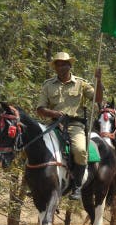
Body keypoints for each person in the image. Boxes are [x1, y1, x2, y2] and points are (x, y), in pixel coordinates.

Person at [36, 51, 102, 200]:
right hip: (53, 125)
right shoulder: (48, 85)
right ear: (55, 67)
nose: (61, 67)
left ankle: (77, 186)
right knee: (34, 147)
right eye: (58, 64)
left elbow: (97, 98)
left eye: (64, 64)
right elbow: (40, 109)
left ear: (70, 65)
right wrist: (53, 113)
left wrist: (99, 81)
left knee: (79, 150)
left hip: (74, 125)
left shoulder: (81, 83)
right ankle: (36, 182)